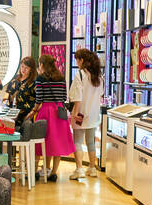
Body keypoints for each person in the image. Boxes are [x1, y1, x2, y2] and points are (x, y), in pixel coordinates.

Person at [31, 54, 75, 182]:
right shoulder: (61, 78)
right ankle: (54, 173)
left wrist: (32, 112)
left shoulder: (40, 79)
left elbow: (39, 99)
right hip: (59, 111)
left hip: (45, 111)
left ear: (42, 65)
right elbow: (64, 97)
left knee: (39, 141)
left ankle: (34, 172)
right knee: (57, 142)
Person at [69, 48, 104, 179]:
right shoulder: (98, 77)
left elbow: (77, 97)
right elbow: (100, 95)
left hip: (81, 114)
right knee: (90, 141)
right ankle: (92, 168)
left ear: (81, 60)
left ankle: (79, 169)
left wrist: (75, 113)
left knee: (77, 141)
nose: (77, 62)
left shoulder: (80, 75)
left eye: (77, 60)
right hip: (94, 114)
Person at [8, 56, 37, 130]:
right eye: (22, 67)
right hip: (12, 114)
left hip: (25, 116)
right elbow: (8, 92)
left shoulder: (33, 83)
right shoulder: (15, 79)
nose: (23, 69)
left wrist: (32, 113)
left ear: (31, 69)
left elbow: (38, 100)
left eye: (26, 68)